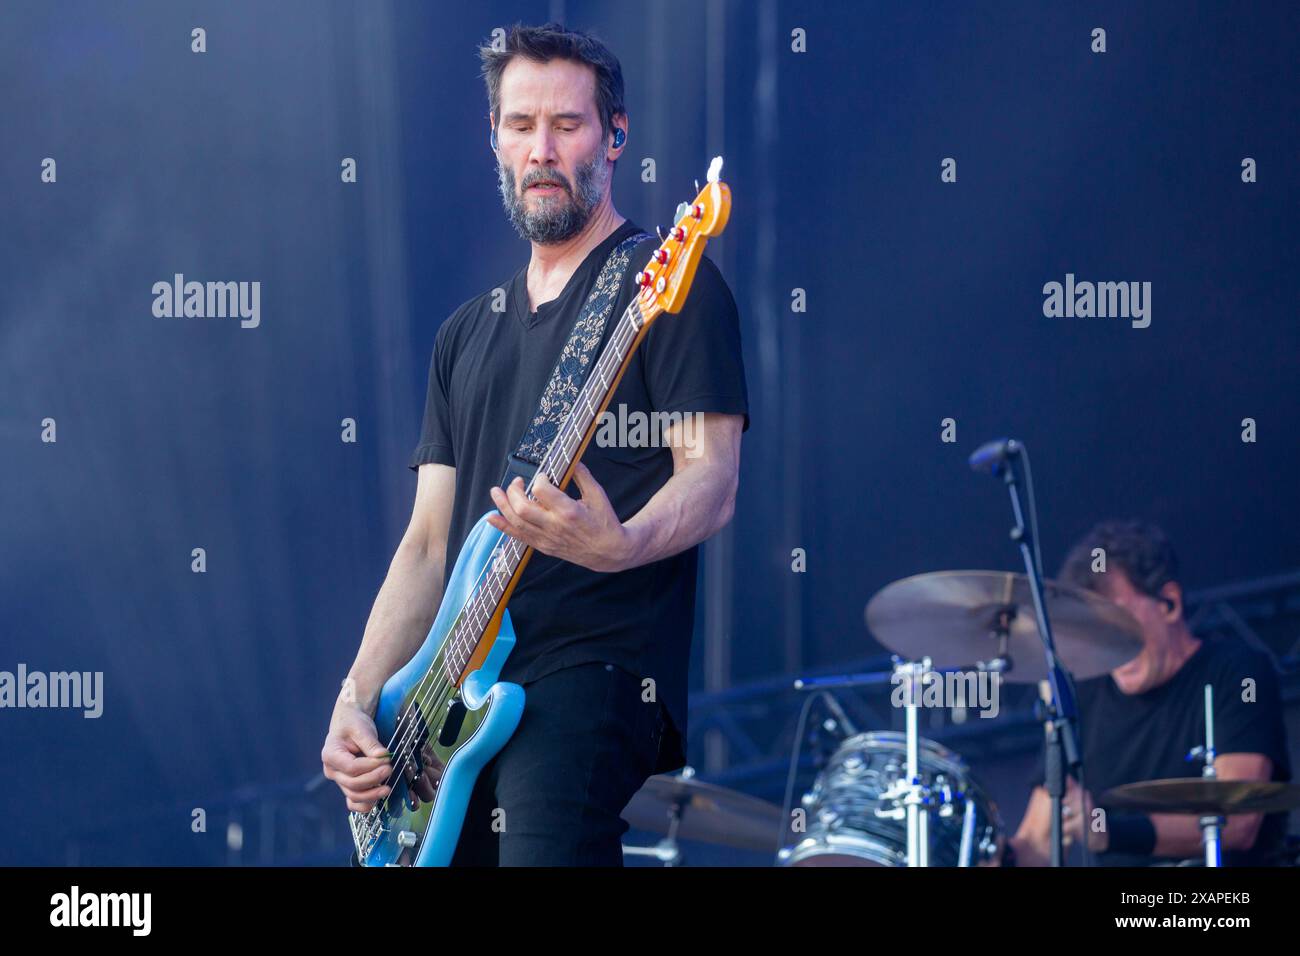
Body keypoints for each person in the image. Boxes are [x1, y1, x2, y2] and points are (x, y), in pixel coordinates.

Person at [320, 21, 749, 866]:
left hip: (588, 667)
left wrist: (623, 545)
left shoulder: (667, 283)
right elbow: (428, 544)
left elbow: (713, 479)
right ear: (494, 138)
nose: (541, 149)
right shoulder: (462, 336)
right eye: (520, 125)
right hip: (446, 701)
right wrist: (357, 697)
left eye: (568, 124)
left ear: (615, 134)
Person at [1010, 519, 1291, 866]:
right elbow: (1036, 844)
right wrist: (988, 853)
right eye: (1096, 626)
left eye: (1118, 619)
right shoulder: (1083, 697)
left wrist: (1105, 829)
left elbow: (1238, 822)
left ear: (1169, 602)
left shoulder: (1238, 674)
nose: (1108, 640)